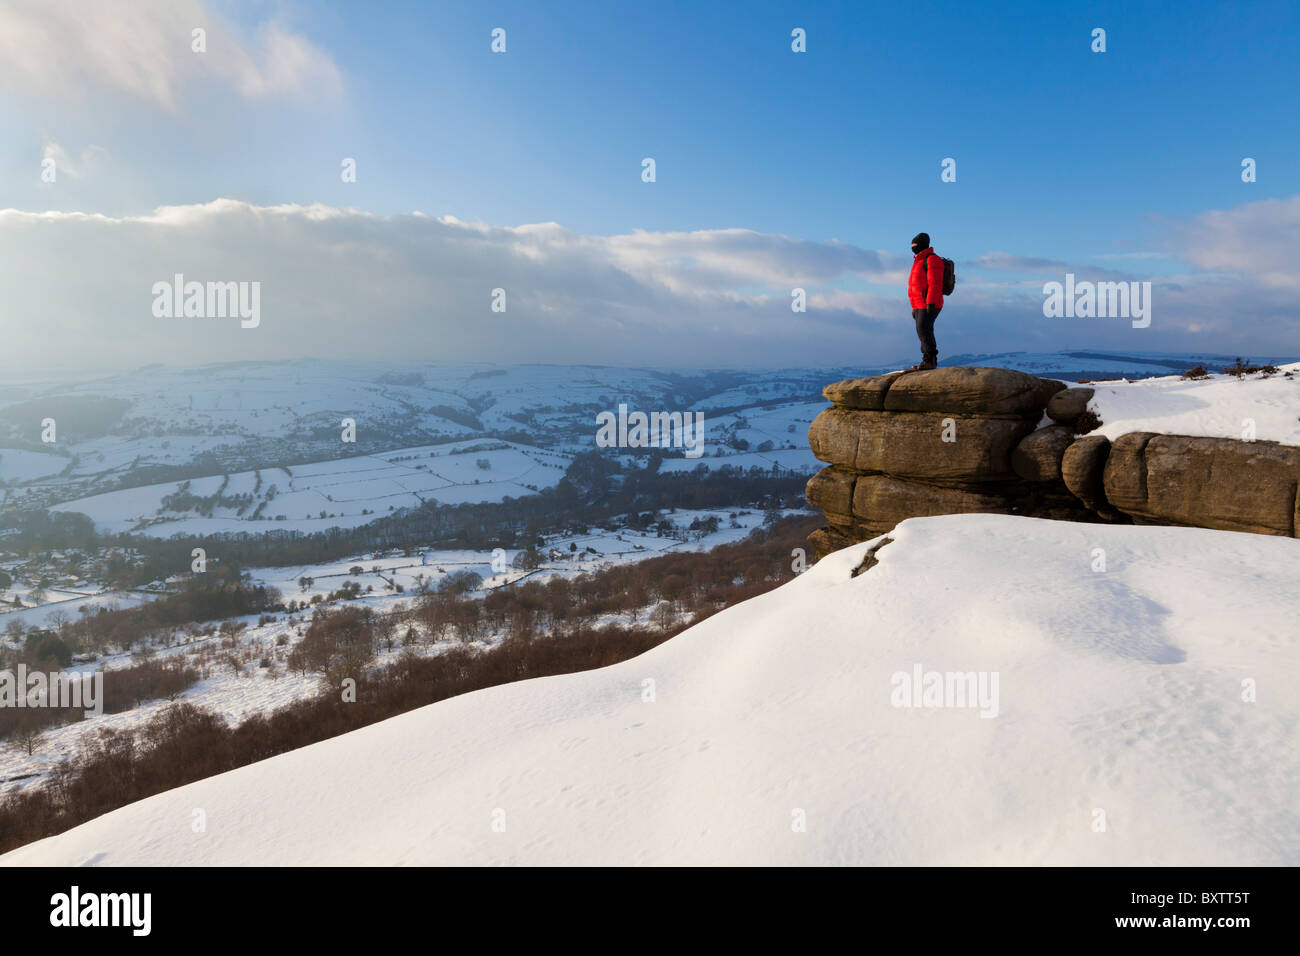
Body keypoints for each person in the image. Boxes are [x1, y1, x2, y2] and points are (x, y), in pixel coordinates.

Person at [906, 232, 943, 371]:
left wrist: (931, 303)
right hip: (919, 304)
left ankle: (929, 362)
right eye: (912, 246)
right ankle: (927, 361)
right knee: (923, 331)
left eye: (915, 245)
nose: (913, 248)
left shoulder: (932, 259)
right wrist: (914, 307)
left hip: (929, 302)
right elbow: (915, 286)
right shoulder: (918, 261)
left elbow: (935, 284)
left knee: (924, 330)